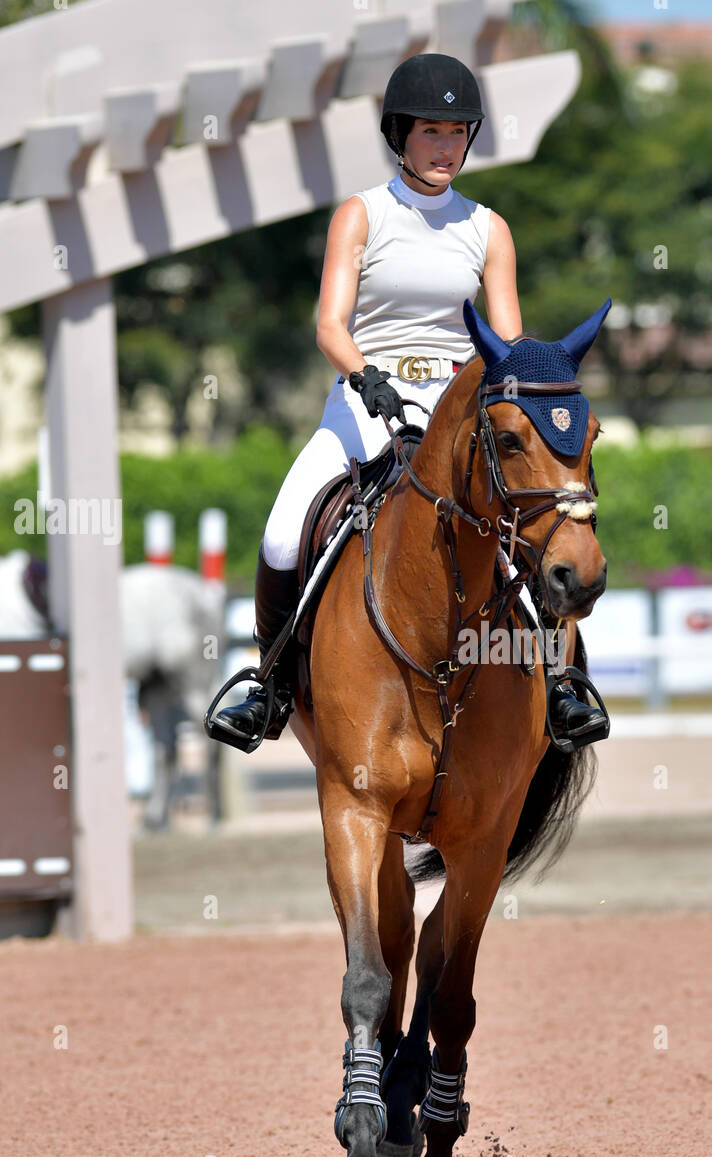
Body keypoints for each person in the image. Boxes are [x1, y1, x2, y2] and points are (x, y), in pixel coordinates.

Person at [212, 52, 604, 748]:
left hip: (457, 404)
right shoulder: (361, 215)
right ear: (400, 134)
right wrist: (367, 377)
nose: (446, 146)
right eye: (431, 131)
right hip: (368, 395)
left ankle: (565, 682)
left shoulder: (487, 227)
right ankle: (268, 685)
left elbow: (504, 340)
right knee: (281, 530)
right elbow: (330, 324)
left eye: (457, 133)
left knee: (527, 530)